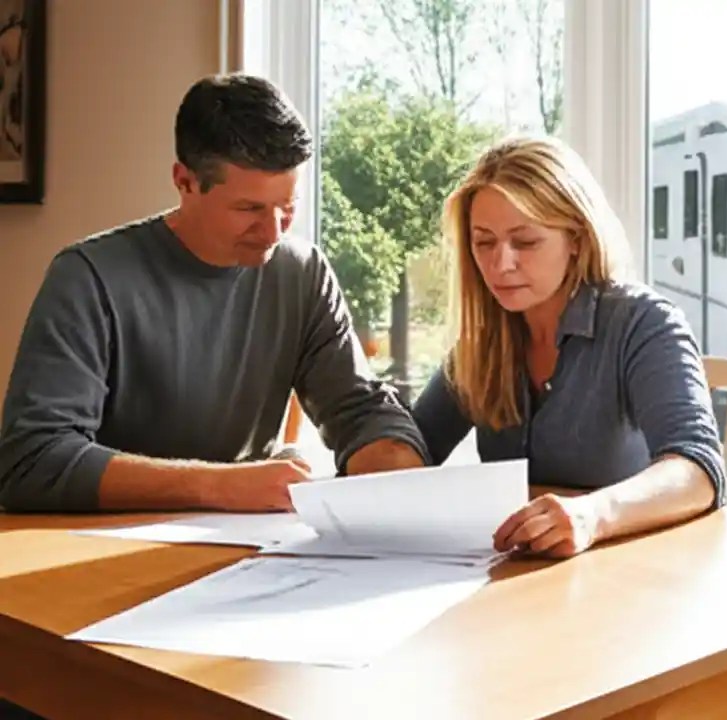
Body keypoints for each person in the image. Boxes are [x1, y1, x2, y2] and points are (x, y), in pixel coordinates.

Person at [0, 73, 427, 513]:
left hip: (242, 552)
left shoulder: (302, 273)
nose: (273, 231)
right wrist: (220, 486)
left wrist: (395, 467)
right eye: (249, 209)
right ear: (184, 181)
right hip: (95, 552)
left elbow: (360, 411)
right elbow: (33, 460)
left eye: (288, 207)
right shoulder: (88, 277)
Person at [411, 135, 726, 559]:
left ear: (576, 237)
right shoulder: (485, 341)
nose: (500, 264)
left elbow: (699, 470)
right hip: (522, 579)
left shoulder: (642, 322)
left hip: (631, 575)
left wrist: (592, 515)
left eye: (524, 242)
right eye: (484, 242)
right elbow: (412, 451)